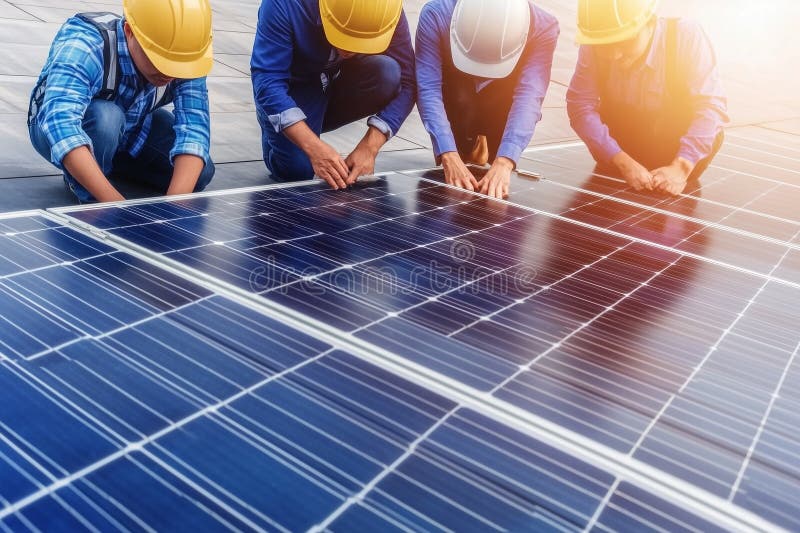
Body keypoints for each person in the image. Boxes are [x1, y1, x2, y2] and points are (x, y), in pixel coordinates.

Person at [27, 0, 215, 205]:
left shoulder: (187, 52)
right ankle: (84, 181)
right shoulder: (87, 45)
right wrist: (116, 207)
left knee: (200, 172)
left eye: (176, 65)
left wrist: (176, 205)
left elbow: (194, 129)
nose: (170, 73)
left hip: (133, 124)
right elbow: (59, 123)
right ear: (129, 31)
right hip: (60, 128)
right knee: (107, 117)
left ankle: (99, 167)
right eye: (160, 60)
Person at [567, 0, 728, 196]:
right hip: (621, 148)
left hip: (679, 148)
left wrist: (682, 167)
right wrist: (621, 160)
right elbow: (580, 107)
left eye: (624, 41)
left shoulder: (686, 36)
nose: (614, 54)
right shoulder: (593, 43)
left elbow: (710, 106)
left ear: (650, 24)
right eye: (605, 45)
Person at [251, 0, 416, 190]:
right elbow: (268, 81)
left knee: (388, 74)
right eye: (346, 39)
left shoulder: (383, 8)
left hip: (339, 75)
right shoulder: (284, 4)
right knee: (298, 170)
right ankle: (276, 128)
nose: (351, 49)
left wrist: (369, 147)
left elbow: (408, 81)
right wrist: (313, 147)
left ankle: (310, 122)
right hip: (296, 86)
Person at [415, 0, 559, 199]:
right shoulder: (437, 14)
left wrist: (505, 160)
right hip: (458, 94)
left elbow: (529, 96)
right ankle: (468, 144)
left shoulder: (543, 27)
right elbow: (428, 88)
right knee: (460, 148)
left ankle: (488, 145)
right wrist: (448, 152)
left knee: (497, 157)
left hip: (500, 98)